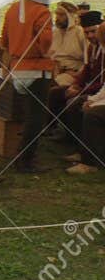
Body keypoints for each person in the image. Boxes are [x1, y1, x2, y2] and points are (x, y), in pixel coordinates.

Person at [0, 0, 54, 173]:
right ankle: (25, 159)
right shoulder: (42, 11)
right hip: (36, 69)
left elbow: (4, 40)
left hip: (17, 68)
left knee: (27, 116)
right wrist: (44, 52)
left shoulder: (12, 9)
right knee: (36, 119)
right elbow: (46, 39)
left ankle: (24, 155)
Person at [59, 10, 105, 171]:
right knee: (58, 93)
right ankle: (75, 144)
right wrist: (77, 85)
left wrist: (85, 95)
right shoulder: (92, 47)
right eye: (87, 32)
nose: (91, 36)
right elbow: (87, 69)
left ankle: (90, 160)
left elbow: (102, 82)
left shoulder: (102, 47)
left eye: (94, 31)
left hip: (97, 90)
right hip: (97, 90)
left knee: (82, 107)